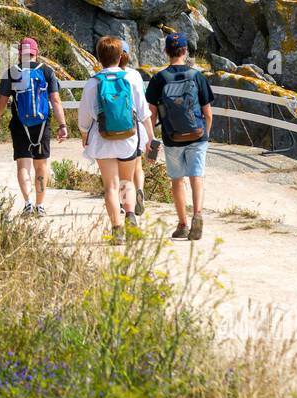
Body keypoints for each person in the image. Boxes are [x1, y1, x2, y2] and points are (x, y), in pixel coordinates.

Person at [78, 35, 153, 243]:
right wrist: (150, 138)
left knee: (110, 186)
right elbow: (143, 111)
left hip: (102, 139)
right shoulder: (129, 79)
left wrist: (84, 134)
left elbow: (84, 115)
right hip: (128, 138)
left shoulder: (92, 83)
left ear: (99, 58)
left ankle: (117, 230)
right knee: (127, 181)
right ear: (121, 57)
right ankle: (130, 215)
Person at [145, 33, 215, 241]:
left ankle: (183, 224)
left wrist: (152, 138)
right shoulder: (197, 76)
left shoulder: (159, 79)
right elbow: (208, 113)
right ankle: (198, 215)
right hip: (197, 135)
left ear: (166, 52)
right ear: (185, 51)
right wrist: (205, 135)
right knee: (197, 177)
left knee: (177, 180)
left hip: (171, 137)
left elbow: (151, 113)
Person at [0, 37, 68, 217]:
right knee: (41, 166)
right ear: (35, 52)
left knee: (23, 165)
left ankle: (28, 203)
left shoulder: (12, 72)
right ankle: (40, 205)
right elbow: (55, 100)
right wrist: (62, 125)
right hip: (42, 124)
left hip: (19, 124)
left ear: (19, 53)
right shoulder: (47, 71)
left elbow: (2, 100)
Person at [118, 40, 151, 216]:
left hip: (113, 128)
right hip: (136, 127)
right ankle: (140, 192)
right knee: (137, 166)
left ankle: (125, 202)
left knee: (121, 171)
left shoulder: (104, 75)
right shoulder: (135, 75)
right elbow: (142, 105)